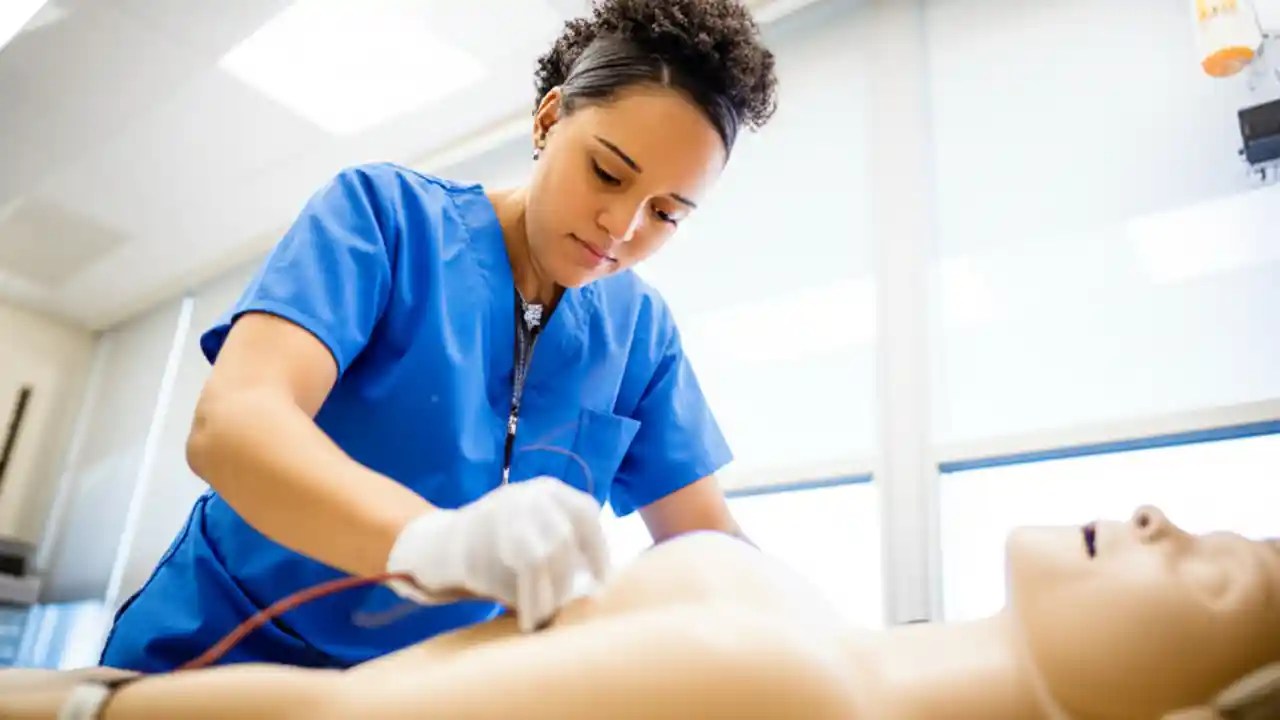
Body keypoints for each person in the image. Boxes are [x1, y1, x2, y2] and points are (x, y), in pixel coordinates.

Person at [96, 0, 779, 673]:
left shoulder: (641, 337)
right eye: (607, 172)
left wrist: (809, 636)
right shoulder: (385, 219)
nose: (621, 228)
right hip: (217, 651)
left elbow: (706, 543)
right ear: (548, 119)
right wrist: (437, 544)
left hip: (414, 691)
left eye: (665, 213)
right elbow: (233, 425)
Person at [7, 504, 1280, 719]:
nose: (1168, 520)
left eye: (1220, 571)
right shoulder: (797, 630)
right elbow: (236, 418)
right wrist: (440, 542)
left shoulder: (789, 681)